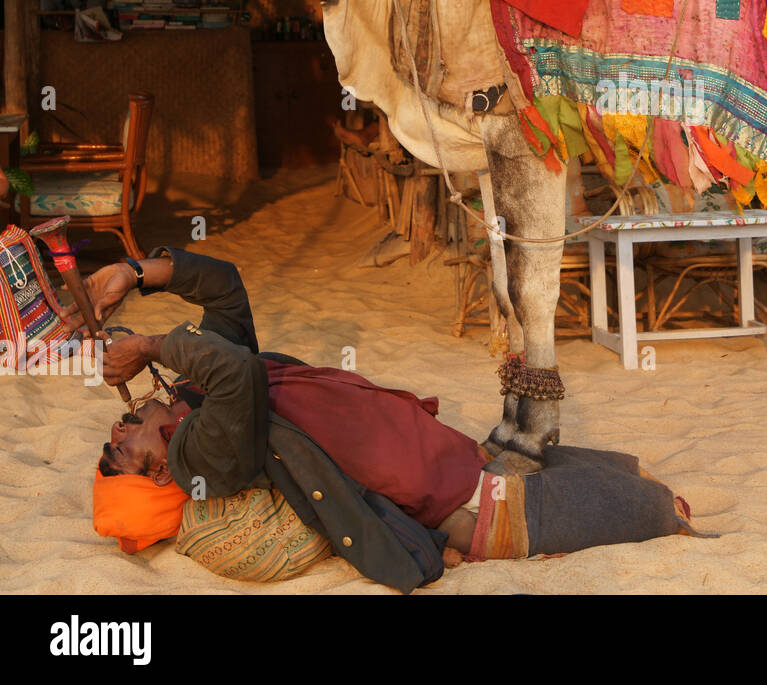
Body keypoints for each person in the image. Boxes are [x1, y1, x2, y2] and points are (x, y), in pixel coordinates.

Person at [90, 249, 695, 590]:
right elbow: (237, 375)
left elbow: (226, 290)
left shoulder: (194, 391)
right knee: (657, 509)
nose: (118, 429)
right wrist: (147, 347)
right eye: (120, 450)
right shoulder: (203, 454)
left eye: (114, 433)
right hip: (478, 508)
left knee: (625, 471)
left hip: (466, 459)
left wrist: (136, 274)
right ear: (162, 473)